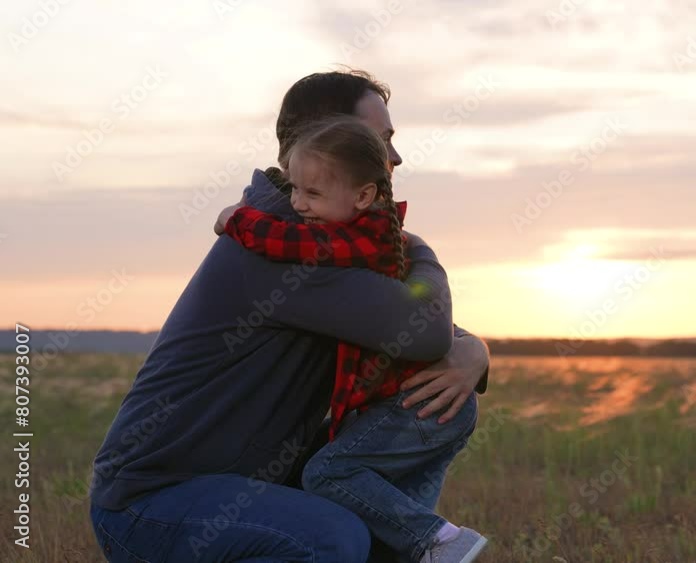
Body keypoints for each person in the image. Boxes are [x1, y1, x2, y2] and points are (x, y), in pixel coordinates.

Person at [89, 70, 489, 562]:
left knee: (428, 413)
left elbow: (393, 317)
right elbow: (423, 331)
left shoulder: (319, 237)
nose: (396, 156)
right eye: (381, 139)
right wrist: (414, 243)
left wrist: (473, 349)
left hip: (237, 486)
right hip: (151, 502)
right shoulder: (287, 249)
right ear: (334, 142)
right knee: (330, 538)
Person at [221, 116, 488, 562]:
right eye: (294, 190)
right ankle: (426, 548)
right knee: (373, 509)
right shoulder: (365, 232)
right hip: (419, 405)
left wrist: (238, 220)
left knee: (326, 473)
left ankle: (441, 541)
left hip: (421, 407)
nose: (299, 205)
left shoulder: (359, 240)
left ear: (363, 195)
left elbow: (287, 243)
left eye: (313, 193)